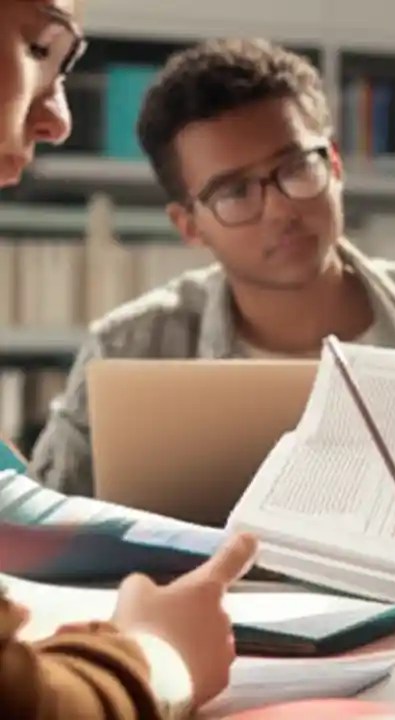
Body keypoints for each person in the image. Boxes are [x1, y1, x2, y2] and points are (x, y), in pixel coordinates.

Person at [26, 38, 395, 497]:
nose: (280, 208)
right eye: (234, 191)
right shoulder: (128, 350)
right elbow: (45, 540)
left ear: (334, 166)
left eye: (296, 168)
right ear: (190, 226)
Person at [2, 6, 260, 718]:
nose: (57, 120)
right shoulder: (130, 334)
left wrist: (254, 551)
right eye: (37, 48)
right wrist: (159, 657)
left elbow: (8, 508)